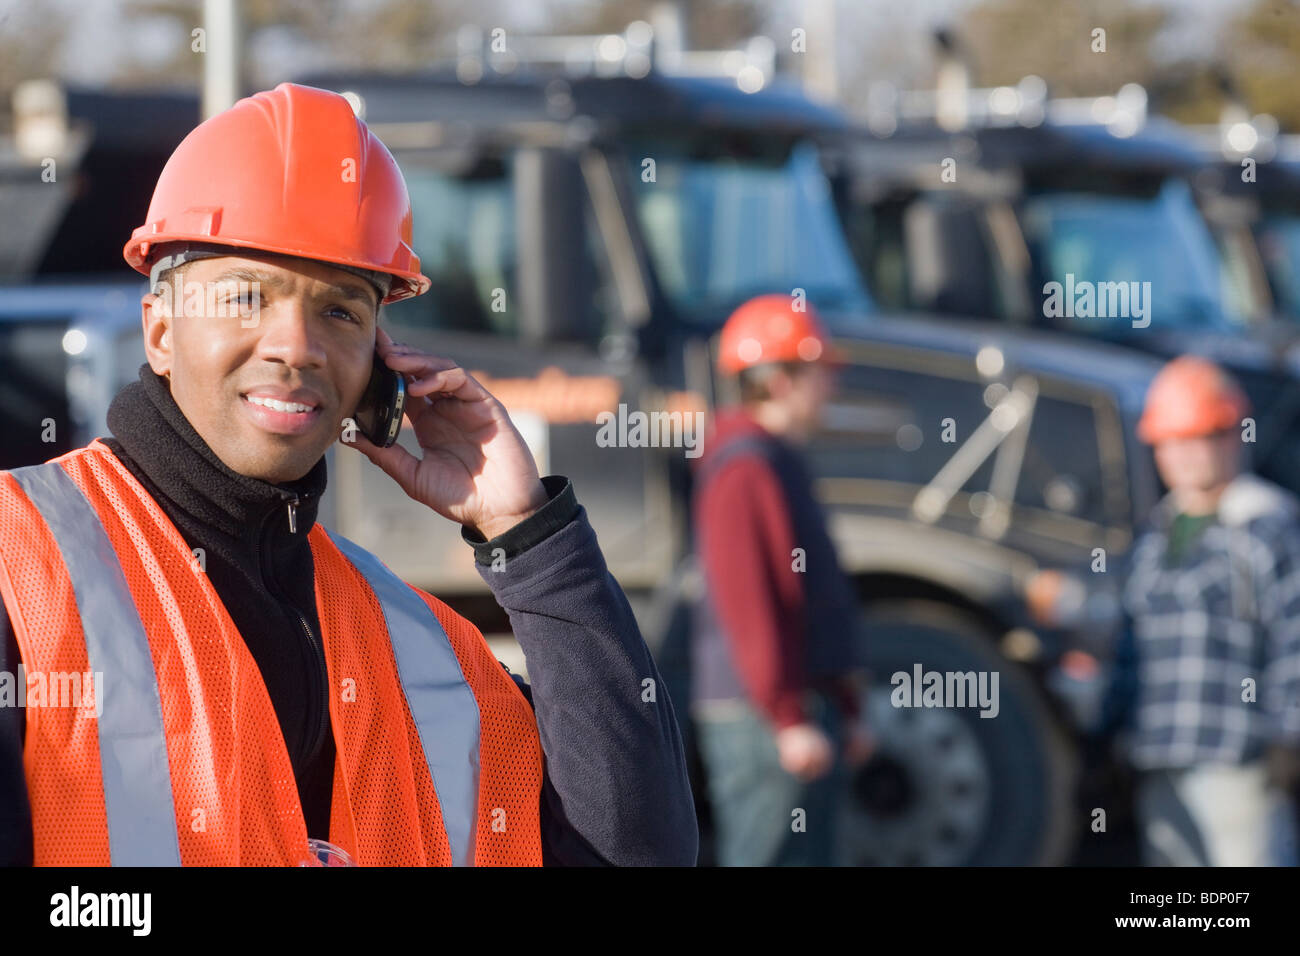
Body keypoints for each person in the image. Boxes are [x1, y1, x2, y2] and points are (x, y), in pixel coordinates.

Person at [0, 83, 697, 866]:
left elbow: (638, 852)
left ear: (380, 365)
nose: (295, 346)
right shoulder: (16, 568)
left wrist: (528, 536)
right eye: (245, 295)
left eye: (341, 312)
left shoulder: (419, 648)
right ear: (161, 331)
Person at [1029, 355, 1300, 866]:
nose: (1185, 456)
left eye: (1200, 437)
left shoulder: (1266, 528)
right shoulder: (1155, 538)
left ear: (1232, 437)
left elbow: (1295, 637)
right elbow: (1131, 647)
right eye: (1172, 442)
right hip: (1160, 757)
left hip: (1239, 762)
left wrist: (1289, 736)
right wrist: (1104, 733)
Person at [688, 293, 873, 867]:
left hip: (781, 711)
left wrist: (845, 705)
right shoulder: (745, 469)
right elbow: (751, 606)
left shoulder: (772, 459)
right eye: (821, 375)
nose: (831, 390)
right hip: (760, 719)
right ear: (782, 382)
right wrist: (788, 718)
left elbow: (812, 598)